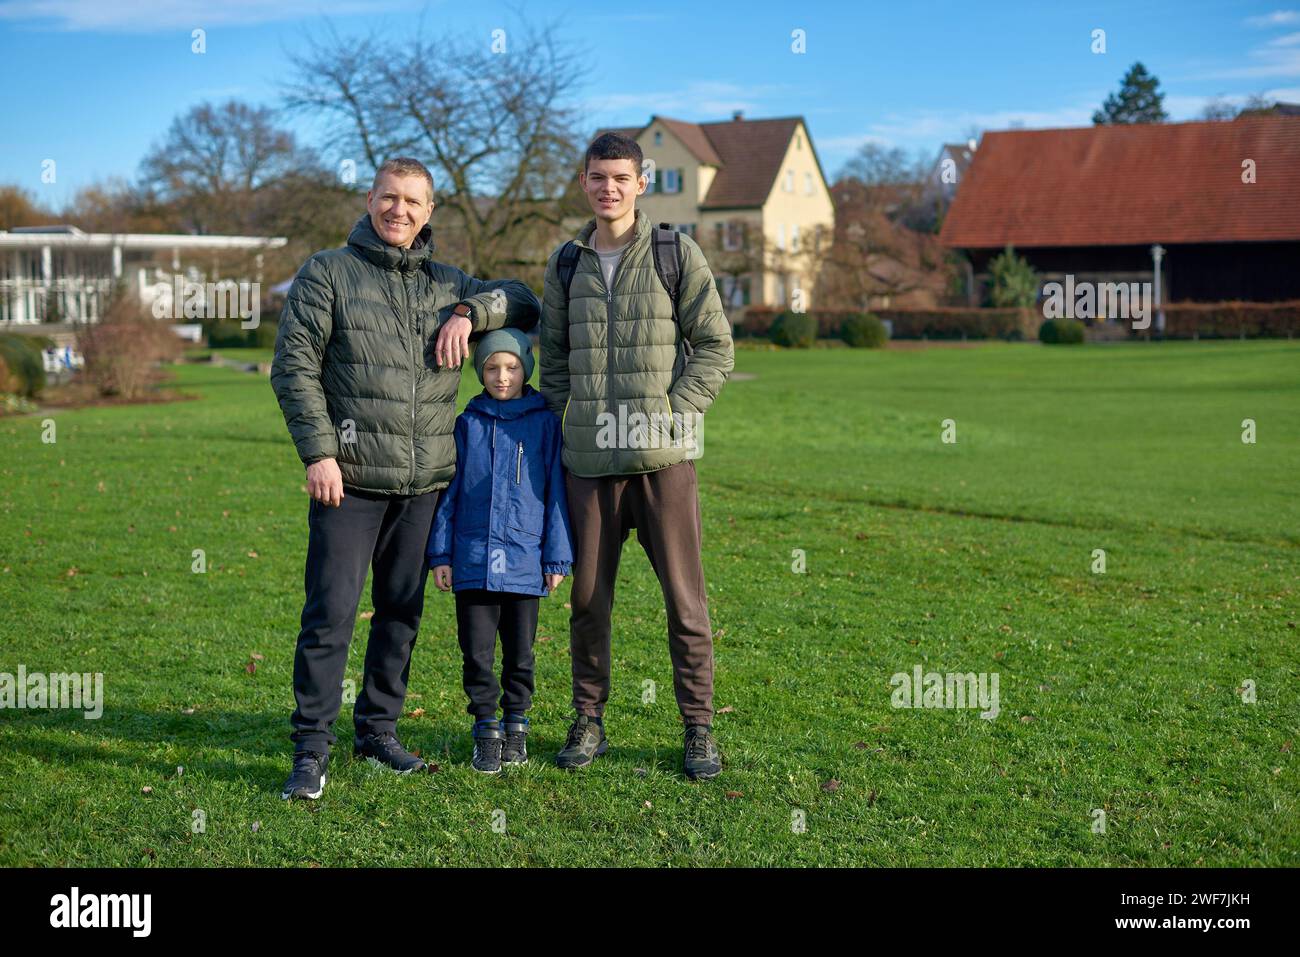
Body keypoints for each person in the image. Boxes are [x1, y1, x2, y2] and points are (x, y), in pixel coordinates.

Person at [271, 157, 539, 800]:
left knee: (400, 612)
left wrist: (469, 311)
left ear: (430, 211)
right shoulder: (327, 273)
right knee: (331, 613)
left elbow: (525, 302)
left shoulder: (448, 283)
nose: (400, 211)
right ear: (369, 200)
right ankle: (311, 748)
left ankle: (378, 729)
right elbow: (294, 367)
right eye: (389, 198)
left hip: (424, 488)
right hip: (350, 479)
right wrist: (319, 452)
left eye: (413, 202)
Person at [538, 133, 734, 780]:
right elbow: (555, 359)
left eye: (621, 178)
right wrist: (566, 422)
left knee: (686, 601)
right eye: (598, 177)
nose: (609, 188)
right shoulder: (566, 263)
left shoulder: (678, 253)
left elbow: (715, 346)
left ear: (641, 183)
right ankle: (588, 718)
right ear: (585, 182)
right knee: (588, 601)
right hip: (589, 464)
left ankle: (698, 727)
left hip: (663, 463)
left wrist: (676, 413)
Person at [427, 328, 573, 773]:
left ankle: (516, 724)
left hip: (526, 559)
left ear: (526, 369)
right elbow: (447, 494)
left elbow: (557, 494)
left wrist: (556, 557)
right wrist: (441, 554)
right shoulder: (467, 423)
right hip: (472, 560)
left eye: (511, 367)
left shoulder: (545, 423)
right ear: (480, 371)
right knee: (476, 651)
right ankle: (486, 728)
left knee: (520, 651)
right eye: (492, 368)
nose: (502, 377)